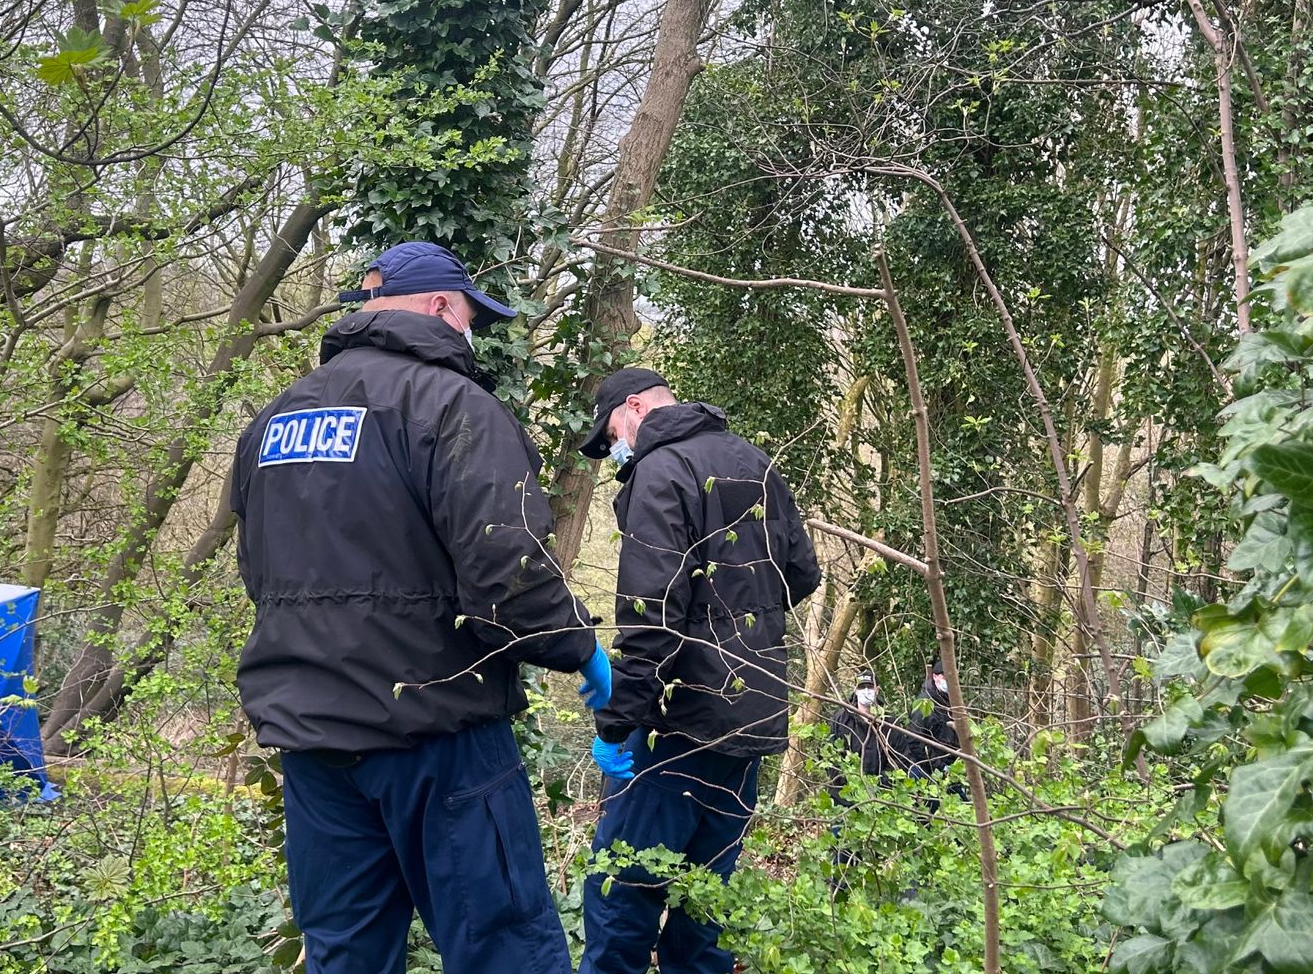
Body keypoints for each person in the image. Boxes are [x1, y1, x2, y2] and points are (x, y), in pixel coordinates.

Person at [232, 241, 607, 974]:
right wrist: (582, 648)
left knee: (346, 954)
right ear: (440, 306)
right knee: (506, 949)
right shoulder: (453, 407)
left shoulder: (274, 422)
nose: (473, 332)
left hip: (313, 741)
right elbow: (510, 576)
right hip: (438, 733)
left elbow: (260, 577)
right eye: (471, 314)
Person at [577, 368, 822, 974]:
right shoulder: (755, 461)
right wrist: (739, 612)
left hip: (676, 725)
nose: (614, 452)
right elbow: (802, 574)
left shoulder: (661, 472)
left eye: (610, 436)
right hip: (752, 716)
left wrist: (614, 724)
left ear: (634, 407)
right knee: (703, 899)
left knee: (622, 890)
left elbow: (652, 618)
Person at [824, 672, 895, 801]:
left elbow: (899, 758)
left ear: (877, 690)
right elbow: (830, 756)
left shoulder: (889, 722)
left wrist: (878, 784)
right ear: (855, 690)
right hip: (845, 796)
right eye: (862, 687)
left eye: (870, 687)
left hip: (882, 796)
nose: (866, 691)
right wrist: (849, 782)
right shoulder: (840, 719)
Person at [897, 656, 962, 779]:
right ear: (935, 677)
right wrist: (939, 766)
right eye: (945, 677)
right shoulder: (924, 704)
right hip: (927, 769)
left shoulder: (952, 701)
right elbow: (915, 740)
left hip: (949, 767)